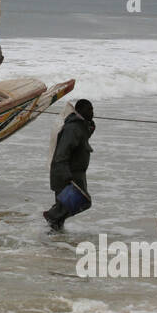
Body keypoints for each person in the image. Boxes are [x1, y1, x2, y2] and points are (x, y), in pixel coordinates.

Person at [44, 99, 95, 231]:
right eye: (89, 110)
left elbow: (84, 137)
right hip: (66, 174)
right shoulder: (72, 128)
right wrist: (67, 177)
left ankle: (54, 236)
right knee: (68, 206)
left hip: (76, 173)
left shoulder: (80, 125)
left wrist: (90, 125)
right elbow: (61, 154)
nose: (92, 112)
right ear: (80, 110)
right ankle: (51, 223)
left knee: (74, 204)